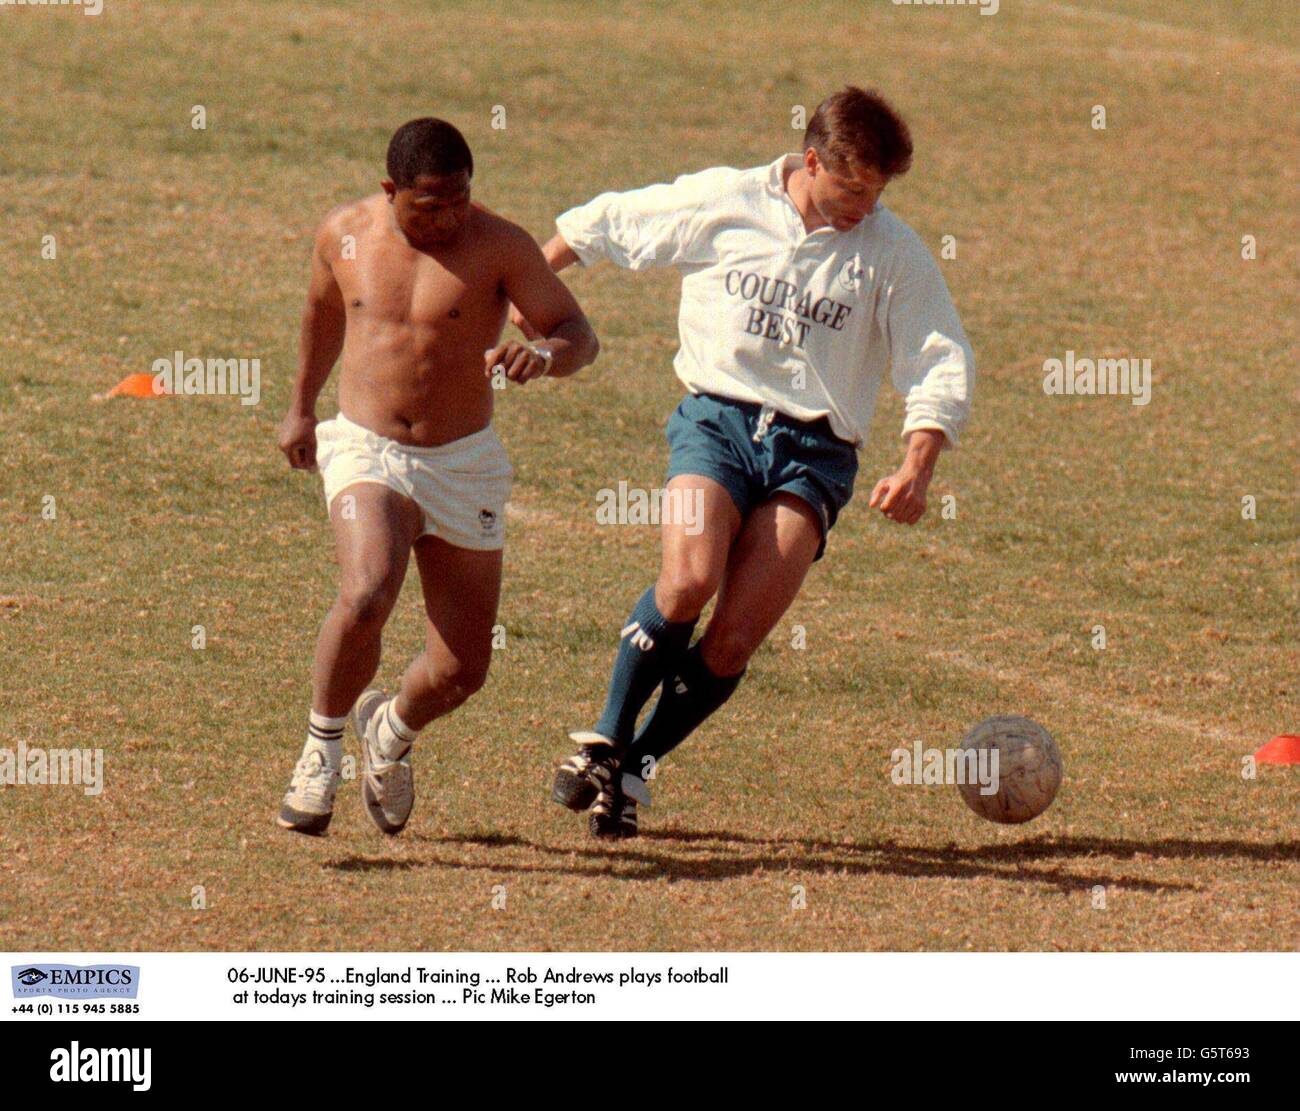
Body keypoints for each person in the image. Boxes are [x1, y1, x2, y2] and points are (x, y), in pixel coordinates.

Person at [519, 87, 973, 839]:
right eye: (852, 185)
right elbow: (616, 220)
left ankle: (633, 769)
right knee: (689, 578)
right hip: (717, 422)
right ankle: (606, 734)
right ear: (813, 159)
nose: (866, 203)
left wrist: (919, 460)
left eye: (880, 190)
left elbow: (939, 357)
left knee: (733, 638)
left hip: (816, 457)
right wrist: (525, 283)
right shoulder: (730, 199)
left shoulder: (893, 252)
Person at [276, 117, 598, 836]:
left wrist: (544, 354)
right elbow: (322, 314)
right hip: (368, 447)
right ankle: (319, 753)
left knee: (462, 670)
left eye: (459, 199)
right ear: (390, 190)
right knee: (366, 589)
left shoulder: (502, 246)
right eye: (429, 205)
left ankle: (386, 731)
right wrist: (300, 409)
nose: (448, 217)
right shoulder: (344, 234)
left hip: (463, 461)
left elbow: (578, 333)